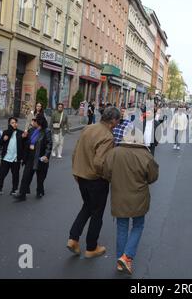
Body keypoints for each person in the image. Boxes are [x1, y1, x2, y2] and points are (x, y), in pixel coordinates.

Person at [102, 127, 159, 275]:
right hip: (139, 197)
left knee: (122, 226)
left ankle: (121, 260)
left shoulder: (114, 153)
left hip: (119, 195)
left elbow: (106, 173)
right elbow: (153, 177)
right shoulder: (146, 155)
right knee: (138, 225)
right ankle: (127, 256)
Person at [67, 107, 121, 259]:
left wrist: (76, 171)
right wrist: (108, 177)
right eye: (118, 120)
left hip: (81, 176)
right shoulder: (108, 136)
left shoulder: (88, 128)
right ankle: (91, 247)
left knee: (87, 207)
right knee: (97, 213)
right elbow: (99, 162)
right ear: (112, 121)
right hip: (96, 180)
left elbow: (75, 151)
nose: (118, 124)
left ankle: (73, 238)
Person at [13, 116, 52, 201]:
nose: (33, 122)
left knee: (40, 177)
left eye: (35, 121)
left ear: (39, 123)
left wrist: (46, 155)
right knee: (26, 176)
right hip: (30, 157)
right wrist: (23, 137)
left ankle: (39, 191)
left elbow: (49, 144)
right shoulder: (31, 130)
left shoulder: (46, 131)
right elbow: (26, 141)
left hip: (40, 157)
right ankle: (22, 194)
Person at [0, 117, 25, 197]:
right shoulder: (6, 132)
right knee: (1, 175)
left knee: (15, 175)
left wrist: (24, 138)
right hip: (6, 158)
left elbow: (24, 145)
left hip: (16, 159)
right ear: (9, 124)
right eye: (12, 123)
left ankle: (14, 189)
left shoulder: (21, 133)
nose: (14, 124)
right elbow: (0, 143)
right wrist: (4, 139)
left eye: (15, 122)